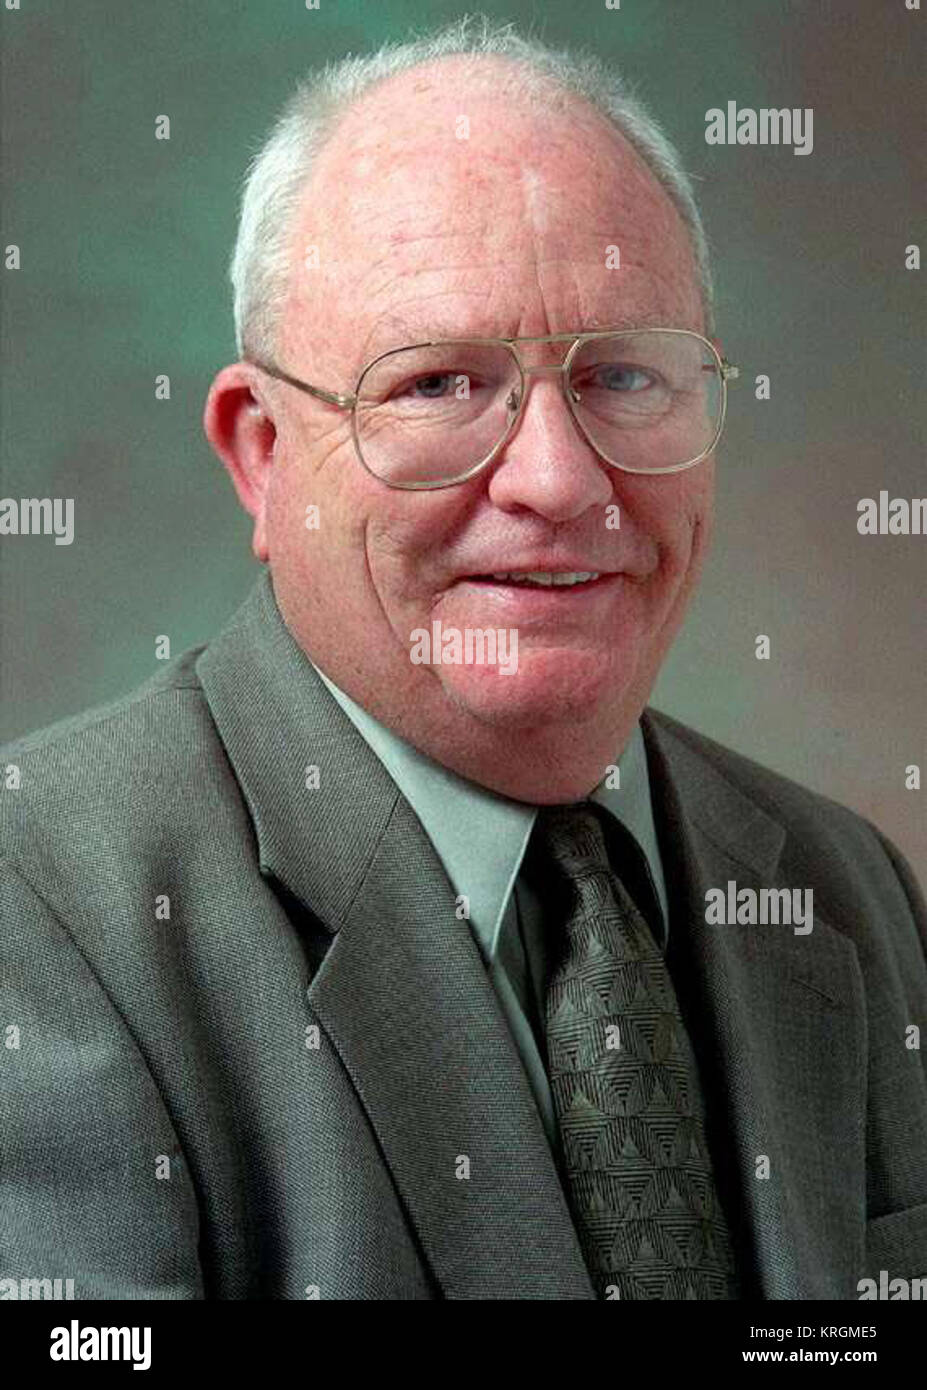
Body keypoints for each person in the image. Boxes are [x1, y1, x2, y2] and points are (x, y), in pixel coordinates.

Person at [2, 17, 925, 1301]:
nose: (556, 480)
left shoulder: (847, 887)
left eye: (621, 376)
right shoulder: (40, 916)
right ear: (262, 454)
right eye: (437, 383)